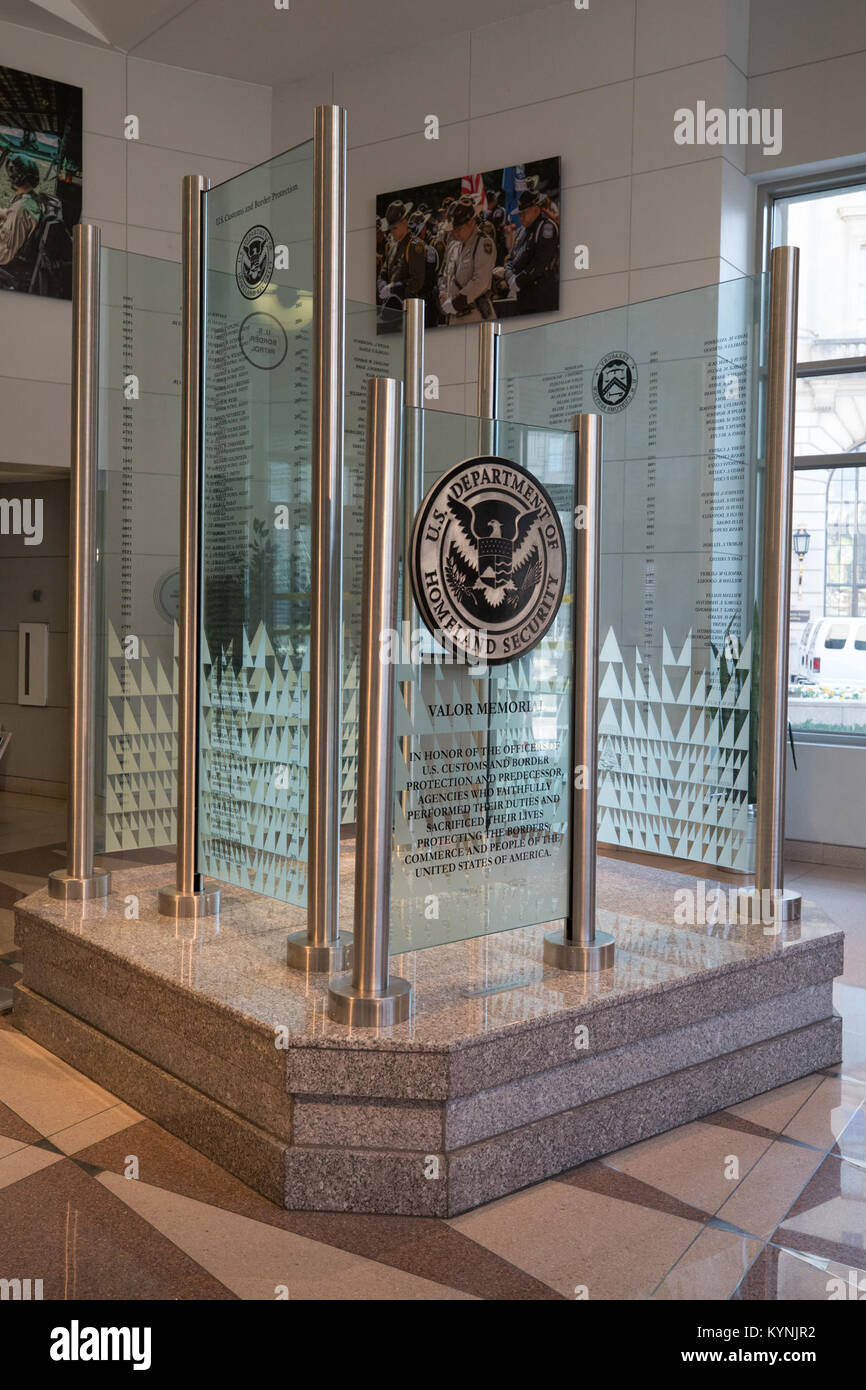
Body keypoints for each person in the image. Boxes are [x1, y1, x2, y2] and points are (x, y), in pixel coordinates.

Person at [437, 194, 496, 325]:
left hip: (475, 316)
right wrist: (442, 294)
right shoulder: (454, 246)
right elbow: (444, 274)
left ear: (471, 222)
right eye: (453, 230)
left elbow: (480, 280)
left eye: (458, 229)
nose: (454, 234)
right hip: (453, 317)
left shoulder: (483, 243)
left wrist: (455, 303)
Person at [503, 189, 559, 315]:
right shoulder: (522, 231)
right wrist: (510, 276)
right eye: (520, 213)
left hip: (542, 295)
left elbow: (541, 261)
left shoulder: (546, 227)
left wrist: (518, 280)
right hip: (524, 296)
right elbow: (511, 258)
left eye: (524, 213)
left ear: (536, 209)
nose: (521, 217)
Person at [0, 155, 43, 284]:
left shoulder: (20, 209)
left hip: (9, 262)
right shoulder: (31, 200)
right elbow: (15, 216)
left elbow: (3, 256)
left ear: (15, 178)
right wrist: (4, 213)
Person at [377, 199, 426, 311]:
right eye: (390, 228)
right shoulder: (393, 246)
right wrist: (382, 285)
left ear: (404, 222)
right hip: (391, 306)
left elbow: (417, 281)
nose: (392, 232)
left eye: (395, 228)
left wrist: (394, 288)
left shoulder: (414, 245)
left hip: (407, 306)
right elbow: (383, 272)